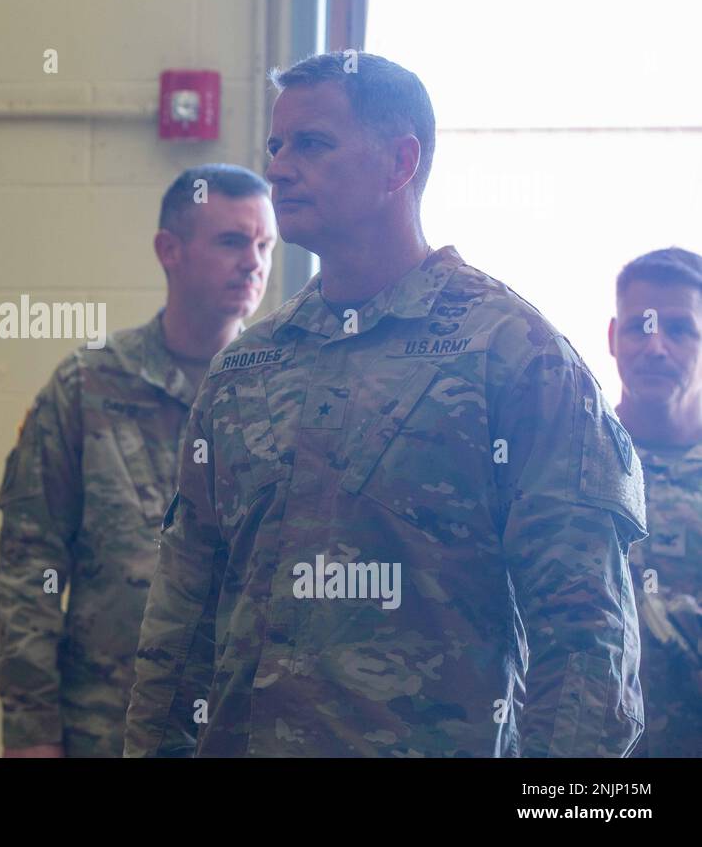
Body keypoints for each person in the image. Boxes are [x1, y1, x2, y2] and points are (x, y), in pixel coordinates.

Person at [125, 51, 647, 757]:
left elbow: (587, 644)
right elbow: (180, 623)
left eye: (311, 143)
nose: (279, 167)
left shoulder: (515, 357)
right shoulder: (248, 367)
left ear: (400, 163)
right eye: (277, 145)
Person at [0, 164, 275, 757]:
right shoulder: (89, 383)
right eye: (231, 241)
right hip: (106, 728)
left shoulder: (280, 391)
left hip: (246, 729)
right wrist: (31, 731)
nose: (254, 262)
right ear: (169, 250)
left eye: (265, 244)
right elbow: (29, 564)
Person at [608, 247, 702, 757]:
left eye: (679, 329)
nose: (655, 346)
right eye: (639, 327)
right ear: (612, 337)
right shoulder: (567, 460)